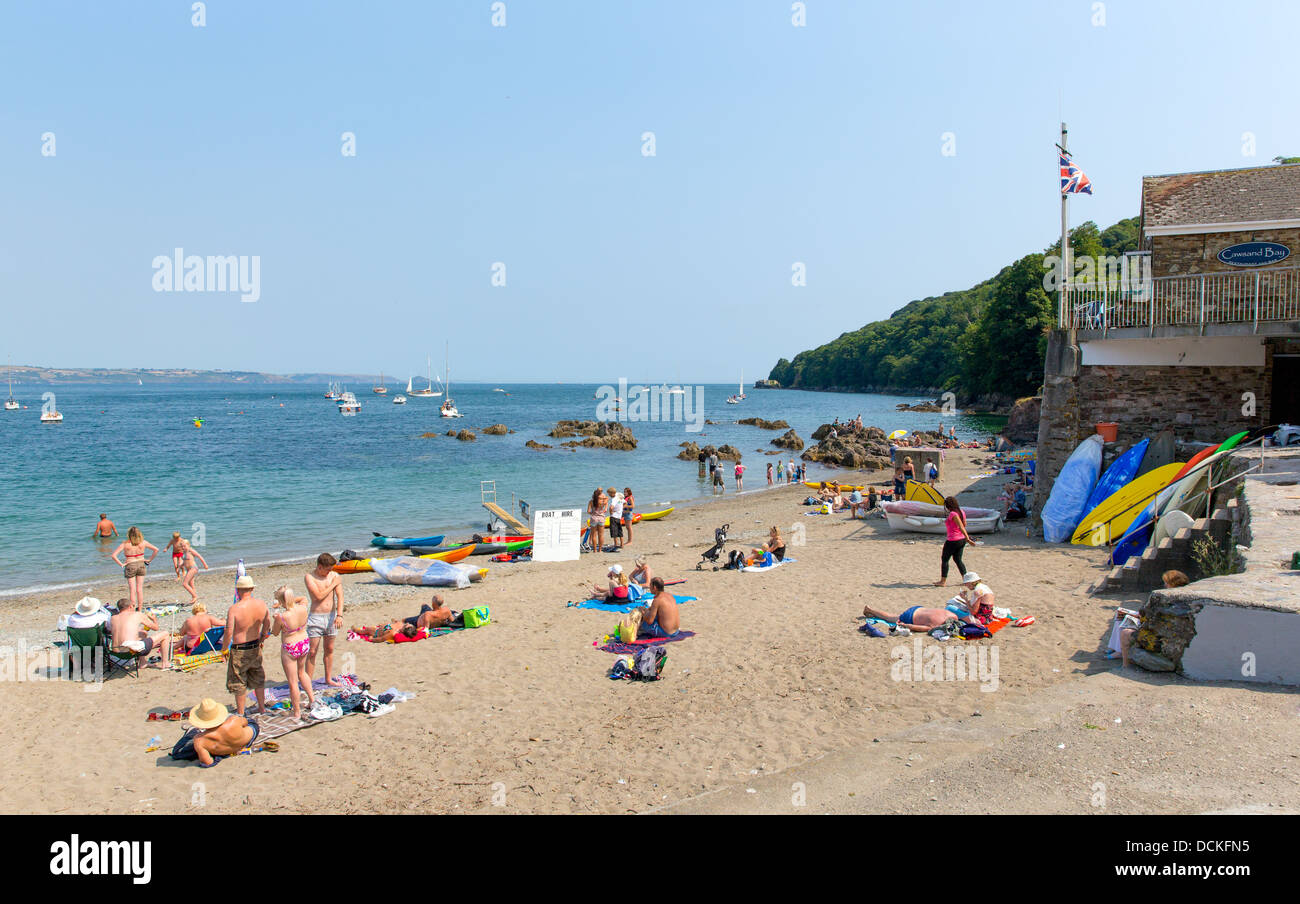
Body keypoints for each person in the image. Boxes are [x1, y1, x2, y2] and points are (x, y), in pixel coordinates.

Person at [221, 575, 270, 716]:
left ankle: (241, 712)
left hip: (240, 649)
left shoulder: (234, 609)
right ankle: (262, 708)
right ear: (252, 588)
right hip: (255, 645)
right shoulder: (261, 604)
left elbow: (229, 631)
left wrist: (224, 649)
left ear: (238, 590)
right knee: (258, 677)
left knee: (238, 681)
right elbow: (267, 623)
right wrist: (262, 637)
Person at [1120, 570, 1189, 668]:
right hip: (1178, 639)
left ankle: (1125, 666)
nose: (1164, 585)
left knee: (1125, 633)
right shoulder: (1186, 599)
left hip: (1162, 642)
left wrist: (1141, 616)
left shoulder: (1163, 599)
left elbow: (1147, 620)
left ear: (1171, 584)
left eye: (1166, 582)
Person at [269, 585, 314, 720]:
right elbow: (304, 598)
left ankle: (297, 712)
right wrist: (289, 600)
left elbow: (275, 633)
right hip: (304, 642)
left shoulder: (282, 616)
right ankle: (312, 700)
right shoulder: (303, 607)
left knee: (293, 681)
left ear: (282, 601)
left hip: (290, 646)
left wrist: (275, 618)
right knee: (302, 673)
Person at [304, 553, 344, 687]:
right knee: (312, 651)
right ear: (320, 567)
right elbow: (318, 597)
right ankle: (308, 681)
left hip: (331, 616)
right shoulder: (309, 577)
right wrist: (333, 585)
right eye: (327, 570)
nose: (329, 572)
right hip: (316, 617)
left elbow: (340, 597)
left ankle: (328, 678)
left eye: (331, 570)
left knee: (329, 648)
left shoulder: (334, 576)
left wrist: (339, 615)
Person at [188, 698, 259, 767]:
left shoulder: (199, 740)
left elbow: (208, 762)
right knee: (248, 721)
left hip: (224, 752)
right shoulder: (234, 720)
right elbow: (245, 722)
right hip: (246, 741)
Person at [934, 496, 982, 587]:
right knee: (958, 559)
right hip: (961, 540)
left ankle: (943, 581)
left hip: (953, 540)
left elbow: (961, 526)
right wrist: (965, 538)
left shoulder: (953, 514)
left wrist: (968, 539)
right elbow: (964, 524)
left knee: (945, 559)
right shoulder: (961, 512)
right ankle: (966, 580)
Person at [109, 597, 172, 666]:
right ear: (130, 607)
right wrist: (154, 619)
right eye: (133, 606)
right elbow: (155, 628)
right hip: (130, 652)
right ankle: (165, 663)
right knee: (165, 634)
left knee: (143, 633)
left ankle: (143, 662)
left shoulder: (113, 618)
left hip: (116, 653)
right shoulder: (137, 614)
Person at [110, 526, 158, 611]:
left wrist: (121, 564)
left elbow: (113, 555)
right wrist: (149, 559)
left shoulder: (125, 544)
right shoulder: (143, 542)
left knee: (132, 589)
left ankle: (132, 609)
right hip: (141, 564)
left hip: (130, 564)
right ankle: (139, 608)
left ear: (129, 534)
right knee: (139, 589)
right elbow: (156, 550)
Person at [861, 602, 980, 632]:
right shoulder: (937, 624)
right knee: (890, 618)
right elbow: (919, 628)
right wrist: (905, 625)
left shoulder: (952, 615)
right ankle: (870, 610)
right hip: (910, 616)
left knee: (892, 617)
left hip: (919, 608)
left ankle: (872, 611)